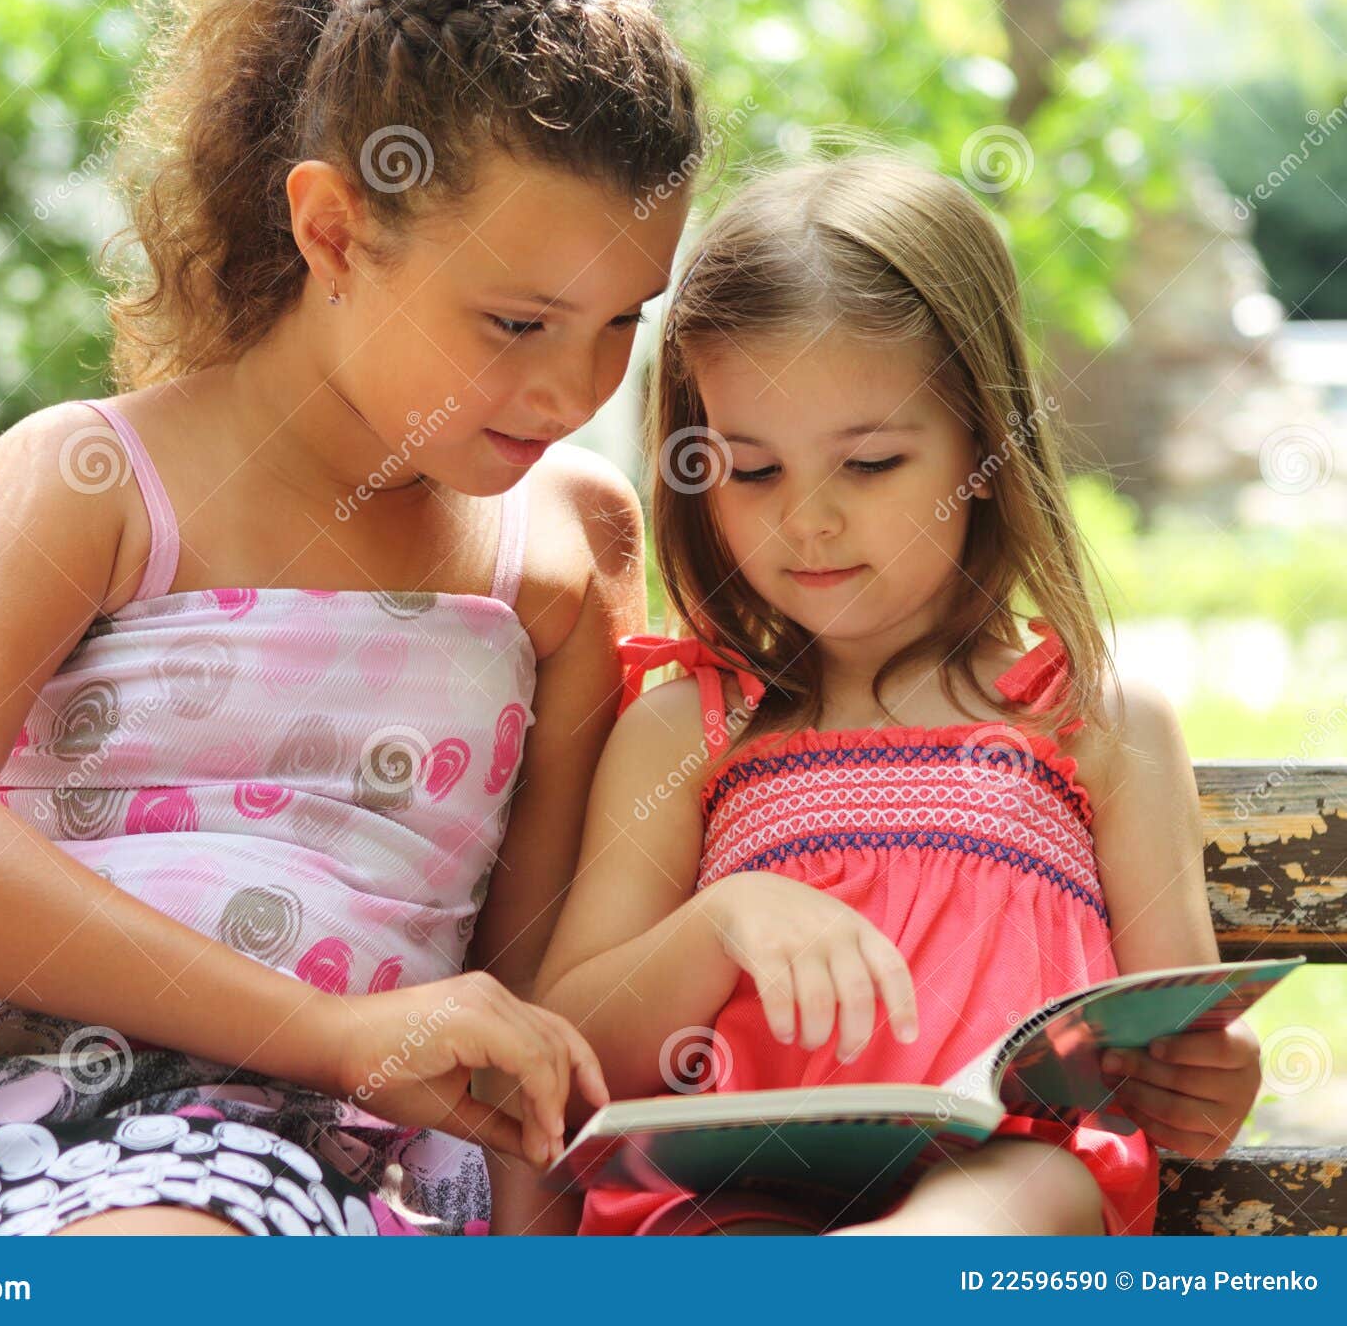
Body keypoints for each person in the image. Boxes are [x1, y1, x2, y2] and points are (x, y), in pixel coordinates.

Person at [0, 0, 703, 1237]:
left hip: (292, 1165)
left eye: (622, 321)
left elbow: (524, 1000)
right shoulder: (93, 477)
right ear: (332, 232)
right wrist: (326, 1030)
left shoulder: (567, 542)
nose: (573, 389)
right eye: (518, 322)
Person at [535, 153, 1263, 1237]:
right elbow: (571, 1047)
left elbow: (1172, 1040)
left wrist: (1210, 1081)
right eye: (751, 468)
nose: (808, 520)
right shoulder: (686, 727)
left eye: (869, 463)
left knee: (1030, 1184)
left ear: (984, 439)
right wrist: (719, 923)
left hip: (1006, 1195)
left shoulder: (1095, 719)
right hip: (728, 1195)